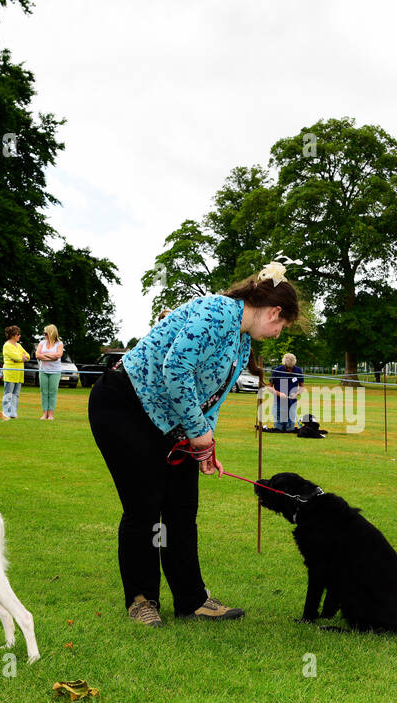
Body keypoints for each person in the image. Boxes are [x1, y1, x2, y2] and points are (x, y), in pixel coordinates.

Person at [87, 257, 300, 627]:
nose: (279, 333)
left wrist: (206, 441)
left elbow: (211, 396)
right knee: (144, 506)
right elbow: (175, 368)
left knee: (182, 508)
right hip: (123, 405)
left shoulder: (239, 340)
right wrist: (197, 433)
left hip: (170, 422)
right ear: (274, 311)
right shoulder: (217, 311)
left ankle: (192, 600)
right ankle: (141, 600)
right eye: (282, 324)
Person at [268, 352, 304, 432]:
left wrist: (297, 394)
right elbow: (269, 387)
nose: (289, 370)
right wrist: (279, 394)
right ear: (284, 364)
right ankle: (279, 426)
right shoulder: (277, 371)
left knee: (290, 429)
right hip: (279, 401)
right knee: (278, 429)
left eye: (291, 368)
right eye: (287, 367)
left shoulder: (298, 371)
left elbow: (302, 387)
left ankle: (289, 427)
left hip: (292, 401)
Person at [1, 326, 29, 419]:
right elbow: (17, 357)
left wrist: (21, 359)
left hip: (19, 373)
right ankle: (6, 412)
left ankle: (13, 412)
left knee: (16, 394)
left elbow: (27, 356)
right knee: (8, 393)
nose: (19, 336)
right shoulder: (7, 345)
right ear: (12, 335)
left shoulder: (19, 345)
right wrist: (21, 358)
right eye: (18, 334)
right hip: (10, 373)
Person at [36, 324, 64, 420]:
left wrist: (45, 356)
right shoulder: (42, 343)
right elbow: (37, 355)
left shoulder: (59, 344)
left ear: (51, 333)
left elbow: (58, 356)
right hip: (43, 371)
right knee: (44, 392)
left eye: (45, 333)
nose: (44, 335)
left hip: (55, 372)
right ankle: (44, 413)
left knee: (52, 392)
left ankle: (50, 414)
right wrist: (51, 356)